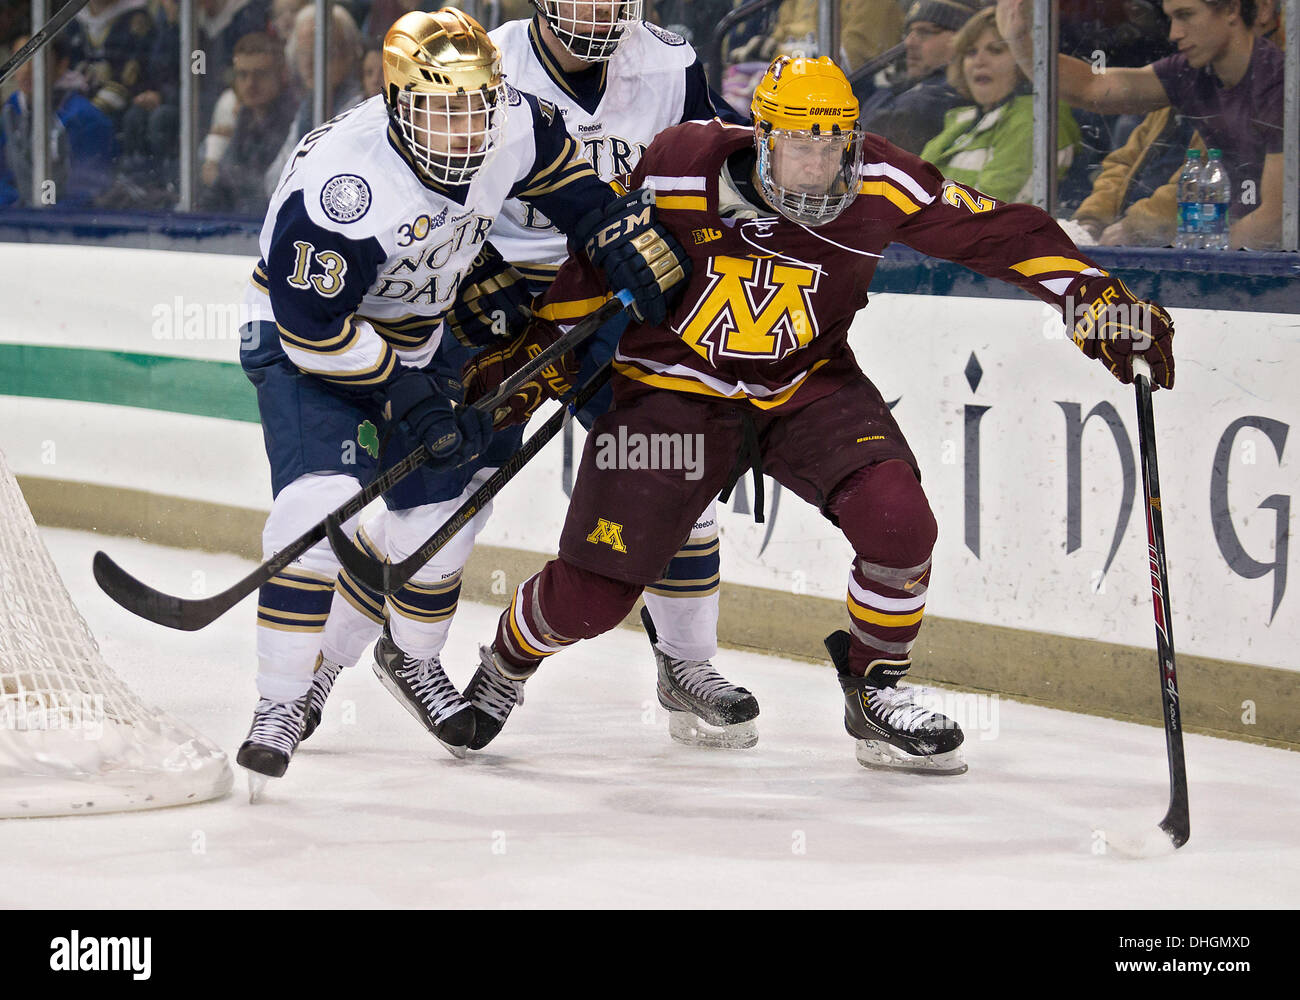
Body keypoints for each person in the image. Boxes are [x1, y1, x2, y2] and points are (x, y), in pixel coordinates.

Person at [455, 54, 1175, 774]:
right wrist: (538, 359)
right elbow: (600, 260)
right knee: (592, 597)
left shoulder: (882, 181)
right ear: (763, 137)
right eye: (803, 143)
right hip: (672, 393)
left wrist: (1091, 295)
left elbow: (997, 234)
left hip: (805, 386)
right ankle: (504, 666)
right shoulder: (680, 163)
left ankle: (876, 688)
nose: (823, 161)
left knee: (899, 521)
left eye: (836, 144)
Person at [234, 7, 689, 786]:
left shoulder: (509, 119)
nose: (463, 130)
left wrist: (614, 234)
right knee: (318, 508)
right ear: (399, 103)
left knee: (445, 510)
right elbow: (315, 330)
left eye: (474, 106)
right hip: (306, 346)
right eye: (441, 111)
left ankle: (411, 660)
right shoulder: (342, 190)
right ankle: (282, 699)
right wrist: (405, 393)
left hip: (420, 332)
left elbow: (565, 180)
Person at [997, 0, 1285, 249]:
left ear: (1232, 8)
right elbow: (1091, 87)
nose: (1174, 33)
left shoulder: (1280, 83)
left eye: (1185, 15)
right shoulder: (1192, 71)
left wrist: (1198, 260)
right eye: (1171, 18)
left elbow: (1275, 220)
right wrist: (1021, 41)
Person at [919, 7, 1080, 203]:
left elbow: (986, 209)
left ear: (1027, 59)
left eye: (995, 50)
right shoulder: (964, 118)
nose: (979, 61)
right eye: (970, 52)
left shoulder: (1034, 118)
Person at [1, 32, 118, 209]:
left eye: (34, 61)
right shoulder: (11, 109)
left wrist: (47, 214)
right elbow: (3, 175)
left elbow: (88, 190)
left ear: (61, 65)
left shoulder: (85, 118)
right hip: (18, 222)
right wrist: (15, 208)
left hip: (64, 227)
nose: (25, 70)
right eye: (19, 60)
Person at [857, 0, 980, 155]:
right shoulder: (898, 86)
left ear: (961, 38)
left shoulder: (947, 98)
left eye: (924, 32)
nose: (909, 42)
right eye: (909, 33)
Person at [197, 31, 297, 215]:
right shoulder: (246, 115)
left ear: (281, 75)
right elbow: (222, 186)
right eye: (242, 75)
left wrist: (219, 176)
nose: (250, 84)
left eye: (260, 74)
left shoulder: (291, 120)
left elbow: (266, 189)